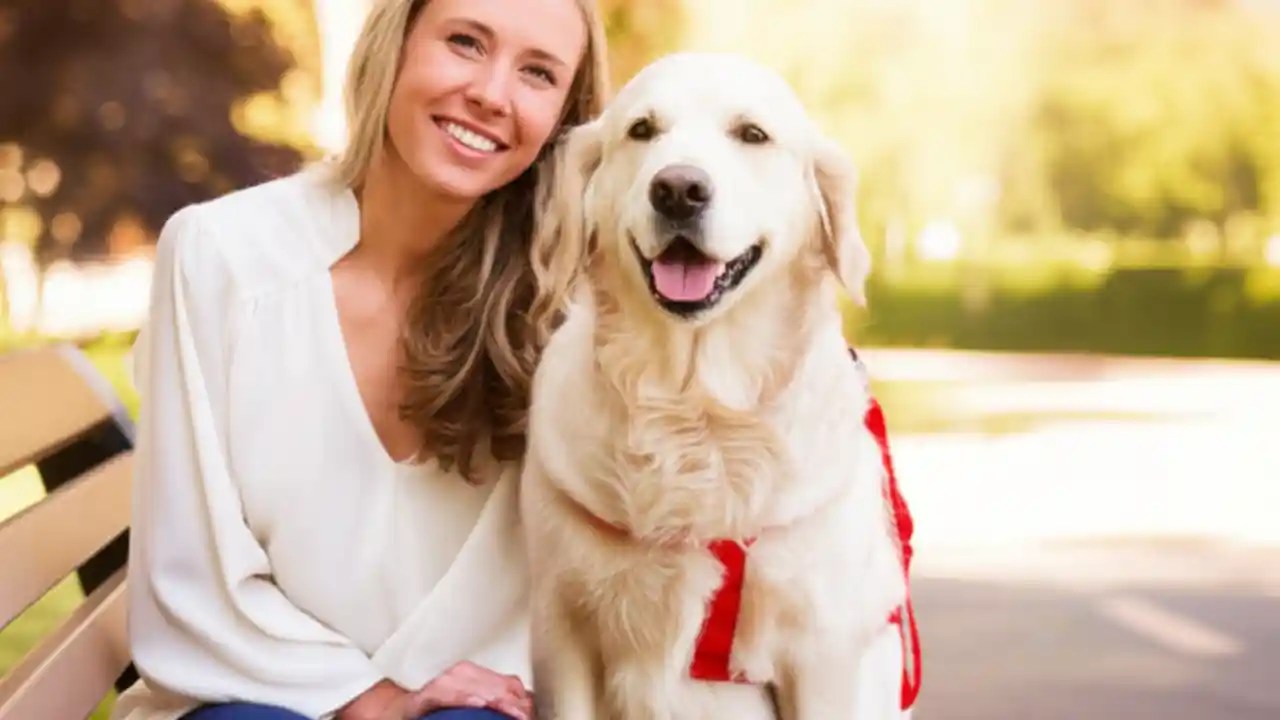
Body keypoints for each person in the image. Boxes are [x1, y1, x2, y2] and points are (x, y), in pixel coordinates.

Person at [109, 0, 609, 718]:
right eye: (466, 43)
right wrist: (368, 699)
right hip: (256, 694)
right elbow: (194, 575)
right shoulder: (223, 257)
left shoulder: (571, 305)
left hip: (477, 702)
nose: (492, 94)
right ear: (393, 46)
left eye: (537, 73)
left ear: (565, 118)